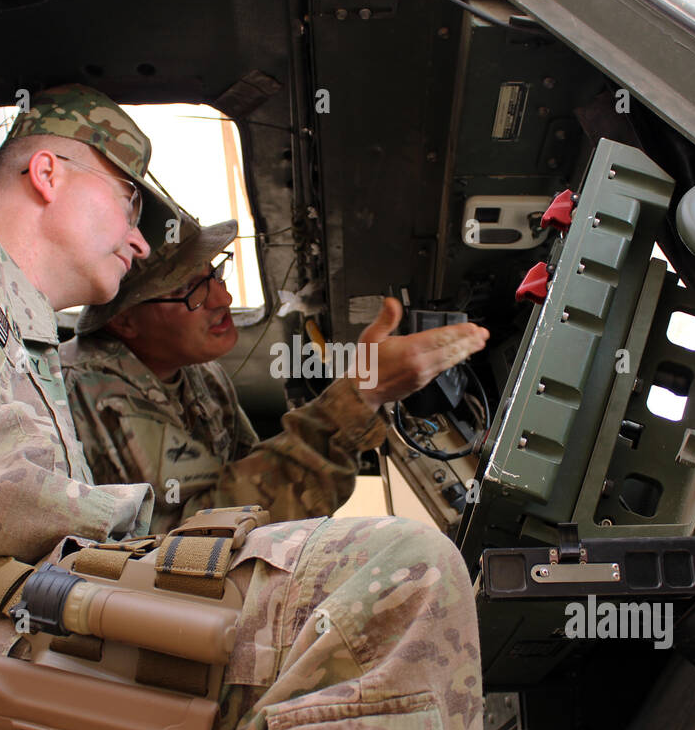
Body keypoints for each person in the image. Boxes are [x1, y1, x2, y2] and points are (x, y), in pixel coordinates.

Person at [0, 83, 488, 730]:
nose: (136, 235)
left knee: (355, 619)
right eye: (127, 200)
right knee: (403, 574)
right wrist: (123, 531)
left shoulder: (11, 316)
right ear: (48, 174)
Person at [62, 218, 447, 532]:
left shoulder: (201, 375)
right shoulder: (96, 387)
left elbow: (249, 477)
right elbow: (199, 534)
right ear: (126, 321)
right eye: (192, 291)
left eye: (214, 274)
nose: (223, 299)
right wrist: (359, 397)